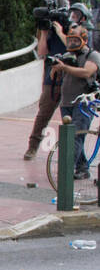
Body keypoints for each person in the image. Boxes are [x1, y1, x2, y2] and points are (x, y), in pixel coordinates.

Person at [48, 19, 100, 181]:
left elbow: (86, 72)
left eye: (75, 39)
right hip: (66, 102)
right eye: (69, 39)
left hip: (84, 102)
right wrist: (56, 68)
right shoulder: (67, 56)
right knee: (73, 136)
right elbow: (54, 76)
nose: (71, 42)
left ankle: (66, 170)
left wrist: (65, 67)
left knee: (75, 137)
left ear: (84, 39)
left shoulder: (93, 55)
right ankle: (83, 168)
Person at [24, 1, 74, 160]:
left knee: (72, 116)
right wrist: (44, 33)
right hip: (52, 79)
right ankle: (32, 147)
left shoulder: (75, 30)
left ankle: (73, 156)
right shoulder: (50, 31)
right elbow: (42, 52)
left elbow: (74, 47)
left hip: (71, 78)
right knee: (43, 113)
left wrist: (61, 32)